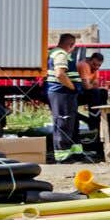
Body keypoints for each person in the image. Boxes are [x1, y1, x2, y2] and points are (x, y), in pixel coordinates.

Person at [44, 33, 85, 162]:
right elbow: (60, 74)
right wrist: (72, 87)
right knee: (63, 122)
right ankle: (63, 156)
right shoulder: (61, 55)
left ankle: (76, 153)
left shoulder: (55, 53)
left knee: (71, 123)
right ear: (71, 45)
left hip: (64, 94)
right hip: (61, 92)